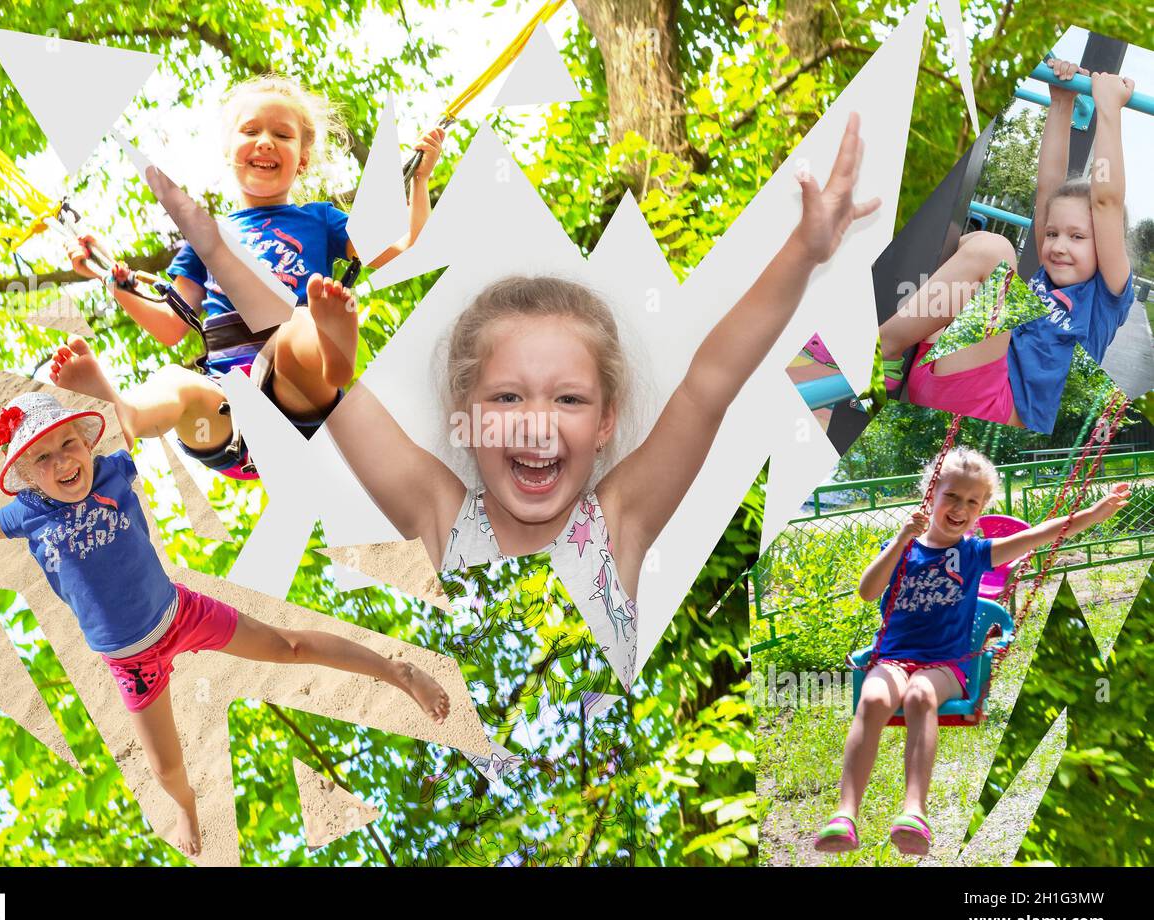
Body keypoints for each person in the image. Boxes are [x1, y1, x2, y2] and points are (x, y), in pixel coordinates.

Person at [133, 114, 879, 688]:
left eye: (569, 399)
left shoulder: (615, 521)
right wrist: (213, 243)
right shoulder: (437, 508)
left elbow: (712, 379)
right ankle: (323, 340)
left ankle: (323, 340)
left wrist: (804, 253)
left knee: (318, 375)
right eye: (509, 396)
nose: (536, 422)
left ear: (608, 421)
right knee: (320, 383)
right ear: (467, 414)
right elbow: (322, 390)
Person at [0, 391, 451, 857]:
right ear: (28, 477)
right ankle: (186, 809)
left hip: (181, 614)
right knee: (164, 765)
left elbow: (139, 416)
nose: (62, 462)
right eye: (43, 458)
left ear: (89, 443)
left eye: (68, 444)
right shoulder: (28, 514)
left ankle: (396, 672)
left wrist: (100, 379)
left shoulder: (114, 469)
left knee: (290, 646)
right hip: (130, 661)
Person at [63, 74, 446, 477]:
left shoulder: (320, 220)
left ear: (302, 160)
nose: (265, 141)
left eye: (282, 134)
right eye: (251, 131)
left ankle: (334, 359)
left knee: (299, 325)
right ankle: (125, 414)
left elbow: (407, 251)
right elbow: (171, 326)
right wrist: (111, 278)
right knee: (175, 380)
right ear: (231, 152)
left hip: (297, 411)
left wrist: (419, 181)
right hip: (227, 416)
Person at [814, 446, 1130, 856]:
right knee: (873, 698)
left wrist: (1091, 516)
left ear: (981, 509)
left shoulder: (976, 553)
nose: (960, 507)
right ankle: (845, 814)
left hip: (945, 665)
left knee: (920, 696)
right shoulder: (903, 548)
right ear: (931, 495)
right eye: (951, 496)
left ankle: (914, 811)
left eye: (972, 501)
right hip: (891, 657)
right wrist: (900, 539)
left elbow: (1039, 535)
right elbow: (867, 591)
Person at [871, 59, 1136, 434]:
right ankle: (891, 357)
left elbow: (1106, 202)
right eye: (1053, 234)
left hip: (990, 409)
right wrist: (1060, 104)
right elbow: (1049, 187)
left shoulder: (1105, 299)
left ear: (1107, 245)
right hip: (946, 372)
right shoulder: (1045, 278)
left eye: (1077, 237)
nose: (1059, 245)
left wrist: (1109, 110)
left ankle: (882, 349)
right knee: (977, 241)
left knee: (995, 250)